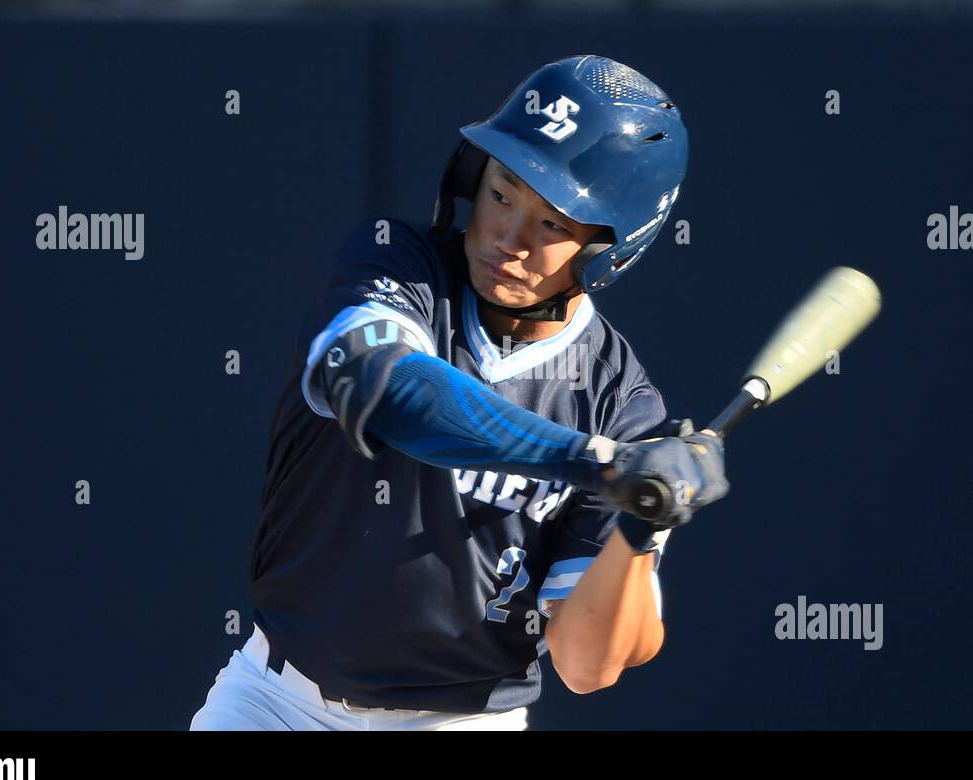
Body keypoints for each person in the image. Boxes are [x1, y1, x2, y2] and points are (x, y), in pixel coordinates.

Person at [190, 55, 728, 731]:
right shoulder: (397, 266)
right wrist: (597, 461)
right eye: (503, 192)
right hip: (277, 700)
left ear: (610, 247)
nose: (507, 237)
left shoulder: (621, 404)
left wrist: (644, 522)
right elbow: (388, 387)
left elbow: (586, 666)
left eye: (553, 224)